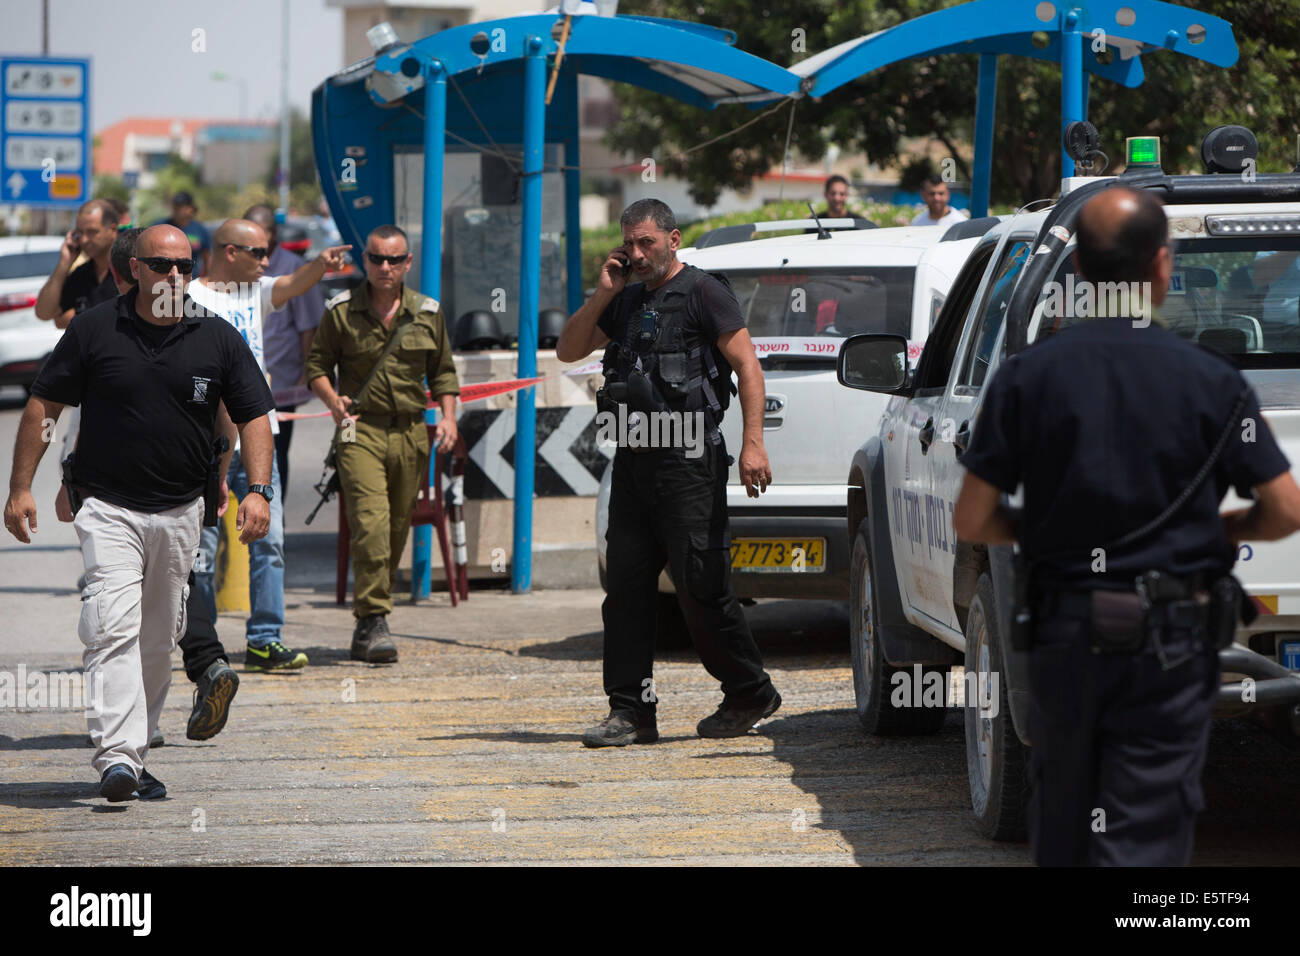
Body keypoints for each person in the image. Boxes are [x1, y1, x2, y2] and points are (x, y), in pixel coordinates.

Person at [952, 186, 1300, 865]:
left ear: (1078, 269)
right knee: (1143, 829)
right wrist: (1222, 531)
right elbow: (1285, 509)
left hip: (1062, 633)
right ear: (1163, 267)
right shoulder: (1211, 379)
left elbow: (974, 517)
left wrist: (1050, 530)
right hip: (1168, 642)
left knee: (1065, 818)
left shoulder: (1026, 378)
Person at [3, 224, 274, 802]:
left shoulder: (217, 337)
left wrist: (258, 489)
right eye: (160, 264)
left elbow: (251, 415)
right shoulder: (96, 329)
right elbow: (45, 405)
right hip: (106, 505)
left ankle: (138, 744)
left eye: (183, 264)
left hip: (180, 509)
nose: (173, 275)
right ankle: (117, 759)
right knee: (112, 625)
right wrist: (21, 486)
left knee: (157, 638)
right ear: (134, 271)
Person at [555, 198, 781, 747]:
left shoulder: (704, 291)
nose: (635, 253)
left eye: (646, 243)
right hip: (633, 463)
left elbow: (747, 366)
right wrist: (604, 291)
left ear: (673, 240)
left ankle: (749, 690)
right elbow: (567, 350)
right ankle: (631, 711)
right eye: (628, 244)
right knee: (627, 592)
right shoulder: (626, 297)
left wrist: (754, 443)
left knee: (701, 588)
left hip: (688, 465)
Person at [188, 219, 350, 673]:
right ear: (230, 252)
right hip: (208, 443)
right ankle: (204, 646)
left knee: (270, 541)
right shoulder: (190, 300)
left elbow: (294, 284)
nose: (266, 261)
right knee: (202, 548)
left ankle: (264, 639)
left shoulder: (253, 291)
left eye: (268, 252)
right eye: (258, 253)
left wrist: (320, 263)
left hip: (258, 438)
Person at [305, 224, 460, 663]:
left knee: (395, 526)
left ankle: (369, 617)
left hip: (411, 430)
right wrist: (333, 402)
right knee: (370, 523)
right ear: (365, 261)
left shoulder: (427, 313)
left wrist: (448, 418)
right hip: (359, 429)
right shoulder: (340, 311)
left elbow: (444, 372)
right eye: (376, 259)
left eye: (394, 259)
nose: (385, 267)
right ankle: (374, 618)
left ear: (408, 262)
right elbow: (315, 366)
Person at [243, 204, 326, 502]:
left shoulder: (293, 269)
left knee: (274, 456)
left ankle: (272, 516)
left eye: (260, 234)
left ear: (273, 234)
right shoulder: (236, 267)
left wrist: (306, 374)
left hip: (280, 383)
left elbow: (308, 327)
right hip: (241, 383)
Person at [34, 198, 120, 330]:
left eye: (91, 232)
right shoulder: (82, 274)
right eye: (79, 232)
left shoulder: (129, 271)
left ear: (112, 230)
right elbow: (44, 313)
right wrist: (65, 262)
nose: (84, 239)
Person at [155, 191, 212, 278]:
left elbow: (207, 257)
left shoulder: (200, 229)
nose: (177, 210)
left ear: (191, 209)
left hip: (192, 279)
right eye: (175, 206)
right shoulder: (161, 226)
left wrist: (204, 279)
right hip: (167, 278)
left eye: (181, 207)